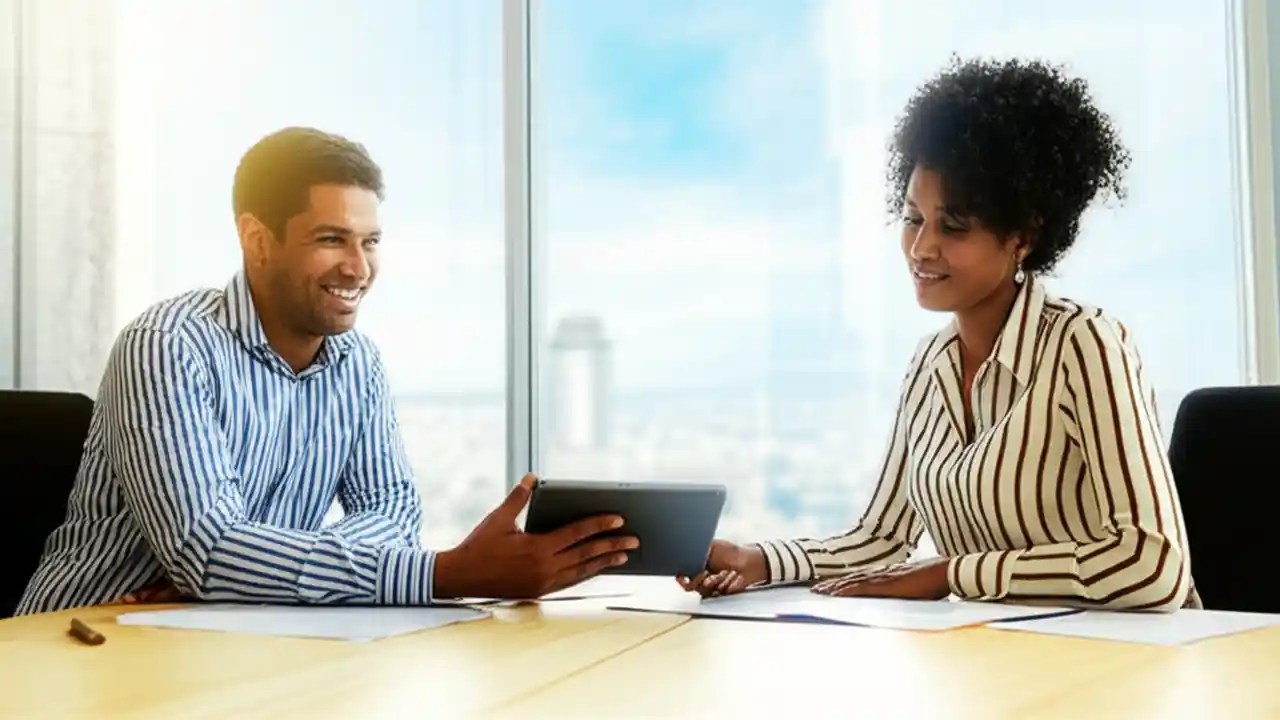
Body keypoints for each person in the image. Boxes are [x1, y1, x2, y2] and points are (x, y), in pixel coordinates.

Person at [17, 127, 636, 615]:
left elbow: (393, 512)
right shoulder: (166, 346)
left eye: (370, 242)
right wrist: (443, 573)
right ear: (257, 240)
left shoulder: (358, 364)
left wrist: (248, 580)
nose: (358, 268)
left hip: (224, 639)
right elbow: (205, 551)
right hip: (80, 642)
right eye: (331, 239)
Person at [680, 58, 1195, 611]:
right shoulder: (929, 366)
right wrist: (756, 560)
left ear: (1022, 237)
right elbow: (881, 539)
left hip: (1129, 665)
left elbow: (1153, 564)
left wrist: (953, 574)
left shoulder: (1085, 345)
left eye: (953, 227)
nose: (922, 247)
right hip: (995, 665)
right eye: (912, 218)